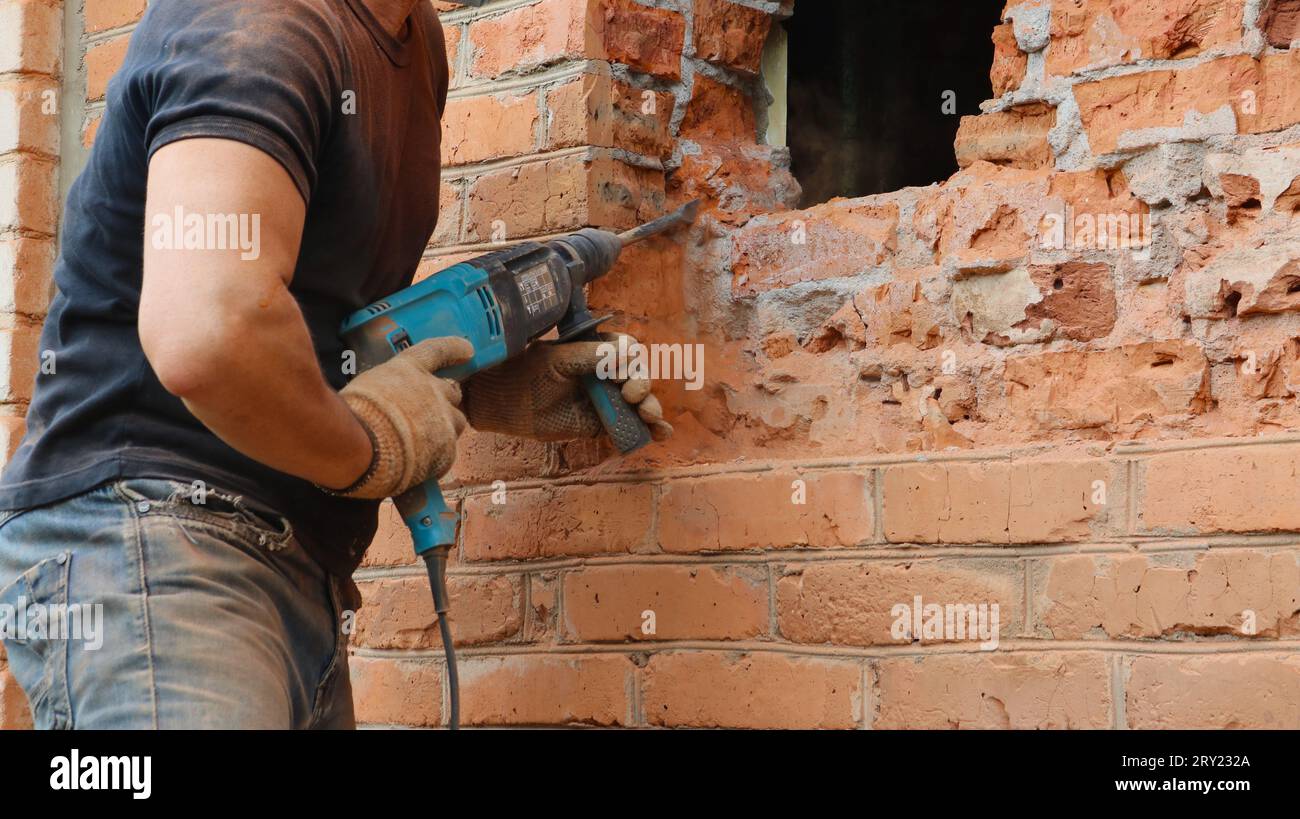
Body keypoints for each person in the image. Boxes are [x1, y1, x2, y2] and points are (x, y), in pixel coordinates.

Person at [0, 0, 670, 729]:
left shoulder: (415, 47)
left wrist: (478, 387)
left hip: (294, 569)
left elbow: (320, 321)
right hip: (154, 541)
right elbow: (209, 332)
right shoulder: (258, 22)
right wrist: (371, 444)